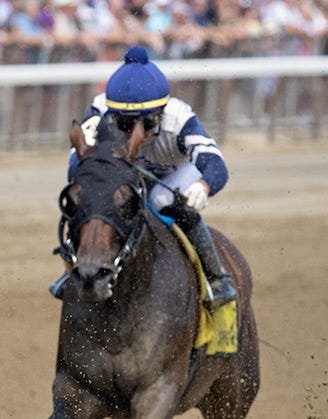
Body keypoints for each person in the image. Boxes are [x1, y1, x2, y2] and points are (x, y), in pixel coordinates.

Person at [54, 45, 237, 308]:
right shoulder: (100, 111)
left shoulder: (180, 119)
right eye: (125, 123)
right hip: (123, 177)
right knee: (89, 198)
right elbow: (76, 167)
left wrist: (203, 185)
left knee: (161, 200)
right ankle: (74, 265)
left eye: (145, 123)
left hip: (174, 176)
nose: (135, 131)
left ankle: (215, 276)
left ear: (161, 113)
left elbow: (215, 164)